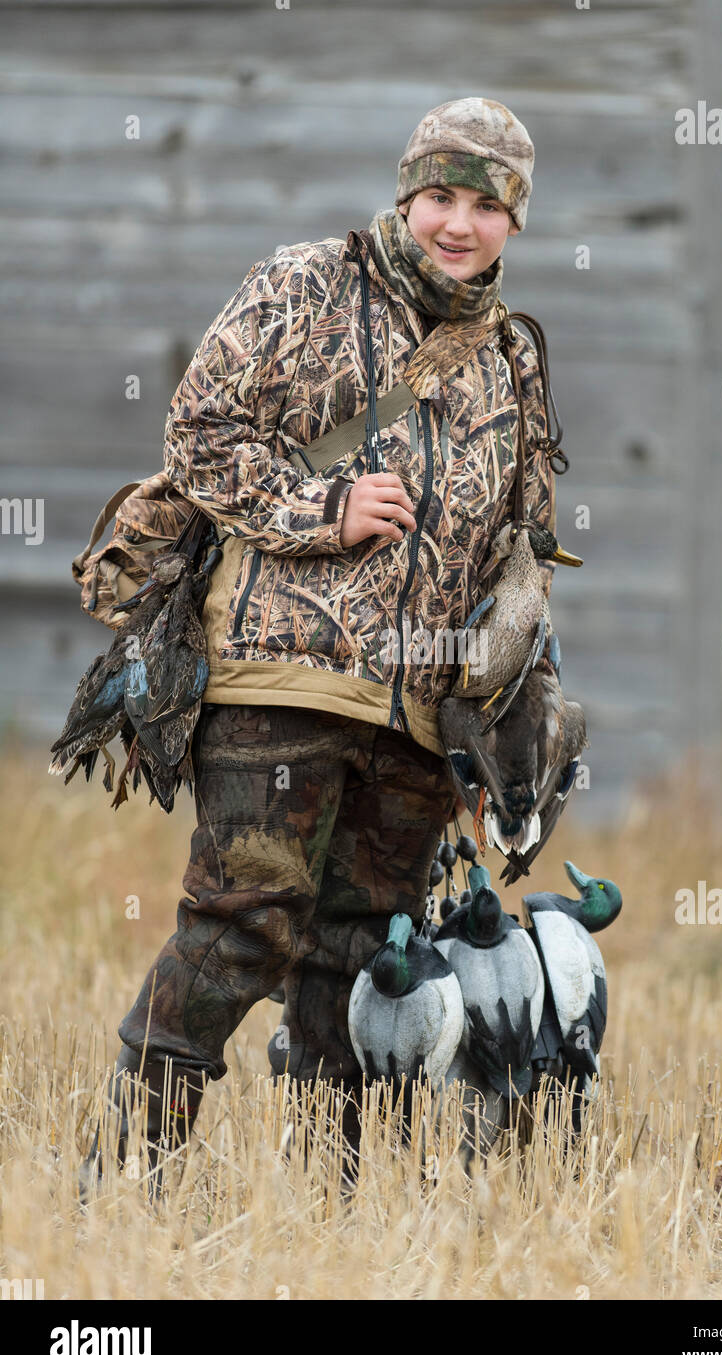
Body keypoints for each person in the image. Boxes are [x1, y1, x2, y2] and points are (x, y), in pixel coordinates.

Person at [79, 96, 558, 1197]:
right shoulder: (304, 284)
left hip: (420, 712)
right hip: (277, 677)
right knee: (245, 922)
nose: (459, 223)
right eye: (441, 195)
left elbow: (519, 553)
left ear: (514, 225)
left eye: (486, 204)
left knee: (366, 954)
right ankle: (123, 1183)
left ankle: (329, 1204)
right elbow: (197, 435)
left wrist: (509, 716)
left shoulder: (512, 360)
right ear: (407, 194)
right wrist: (320, 509)